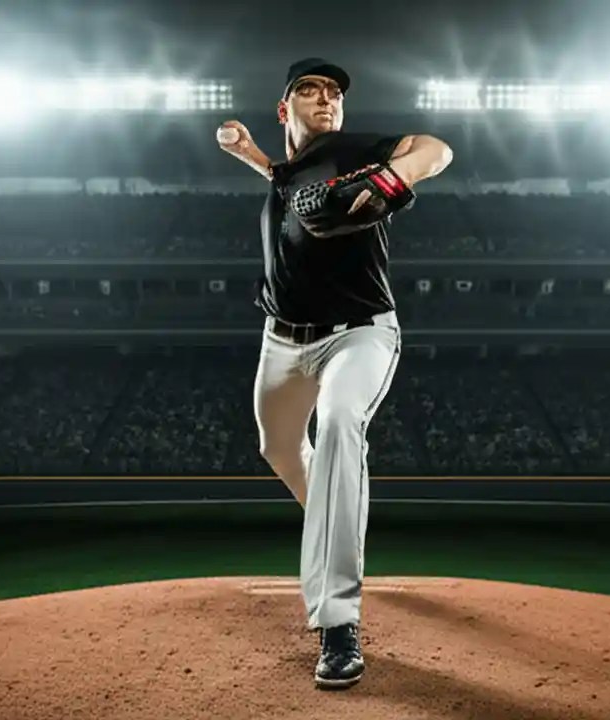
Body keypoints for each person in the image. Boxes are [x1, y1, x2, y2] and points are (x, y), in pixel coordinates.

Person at [217, 57, 453, 689]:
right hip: (281, 345)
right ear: (283, 108)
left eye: (333, 92)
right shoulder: (288, 172)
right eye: (308, 90)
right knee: (277, 447)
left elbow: (435, 149)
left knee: (343, 422)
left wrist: (387, 180)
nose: (326, 98)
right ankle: (332, 518)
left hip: (361, 335)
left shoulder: (354, 151)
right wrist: (250, 154)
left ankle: (338, 624)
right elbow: (288, 180)